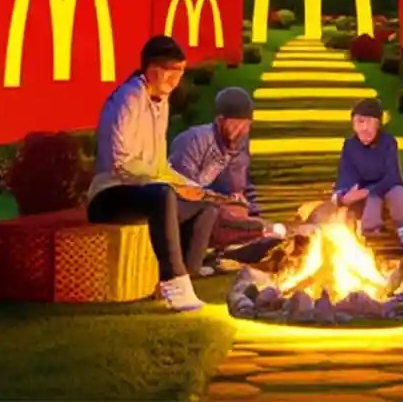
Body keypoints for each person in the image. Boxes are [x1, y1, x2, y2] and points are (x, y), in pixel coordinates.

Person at [86, 35, 217, 313]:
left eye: (180, 71)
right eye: (173, 72)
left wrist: (190, 187)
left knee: (204, 205)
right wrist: (164, 183)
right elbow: (121, 163)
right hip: (110, 194)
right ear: (153, 70)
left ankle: (187, 273)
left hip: (146, 190)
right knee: (161, 195)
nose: (177, 79)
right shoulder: (129, 98)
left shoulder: (161, 102)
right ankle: (174, 281)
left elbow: (159, 165)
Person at [168, 87, 267, 252]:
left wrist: (250, 210)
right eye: (235, 124)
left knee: (254, 225)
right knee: (223, 218)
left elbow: (241, 185)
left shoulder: (240, 143)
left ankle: (235, 241)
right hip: (185, 208)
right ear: (220, 120)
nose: (241, 131)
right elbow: (183, 188)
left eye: (246, 125)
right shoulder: (196, 140)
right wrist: (220, 203)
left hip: (215, 205)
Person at [332, 98, 403, 255]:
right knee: (351, 206)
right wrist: (343, 195)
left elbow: (392, 175)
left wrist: (370, 193)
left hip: (386, 186)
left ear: (378, 124)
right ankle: (366, 238)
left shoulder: (388, 142)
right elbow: (346, 173)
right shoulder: (350, 145)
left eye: (369, 122)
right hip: (361, 189)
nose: (364, 128)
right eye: (359, 122)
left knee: (399, 193)